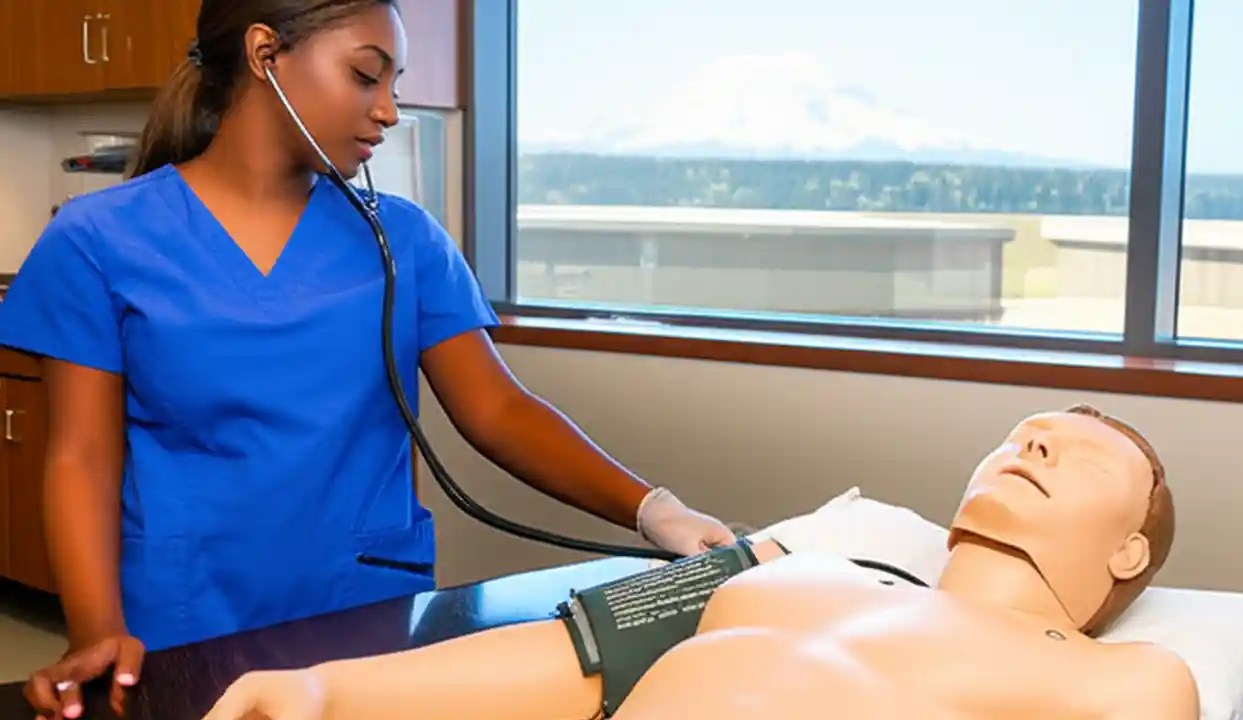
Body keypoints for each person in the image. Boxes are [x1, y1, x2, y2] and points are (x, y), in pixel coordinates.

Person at [5, 1, 736, 718]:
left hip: (363, 611)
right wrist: (97, 630)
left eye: (395, 83)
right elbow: (82, 457)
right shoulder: (98, 239)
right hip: (183, 616)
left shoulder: (406, 241)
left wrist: (652, 510)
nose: (389, 110)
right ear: (266, 54)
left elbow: (499, 410)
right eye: (366, 76)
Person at [200, 403, 1200, 719]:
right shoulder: (810, 568)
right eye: (1021, 432)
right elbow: (578, 658)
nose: (1029, 444)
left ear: (1128, 548)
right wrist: (322, 689)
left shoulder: (1129, 675)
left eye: (1076, 450)